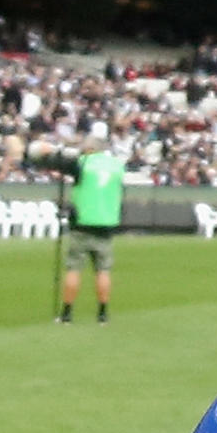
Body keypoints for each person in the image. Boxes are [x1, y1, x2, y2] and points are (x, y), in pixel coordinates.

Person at [59, 136, 123, 321]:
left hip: (82, 222)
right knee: (103, 270)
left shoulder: (83, 163)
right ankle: (102, 312)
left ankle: (67, 313)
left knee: (74, 268)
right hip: (106, 222)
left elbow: (63, 164)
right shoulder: (116, 165)